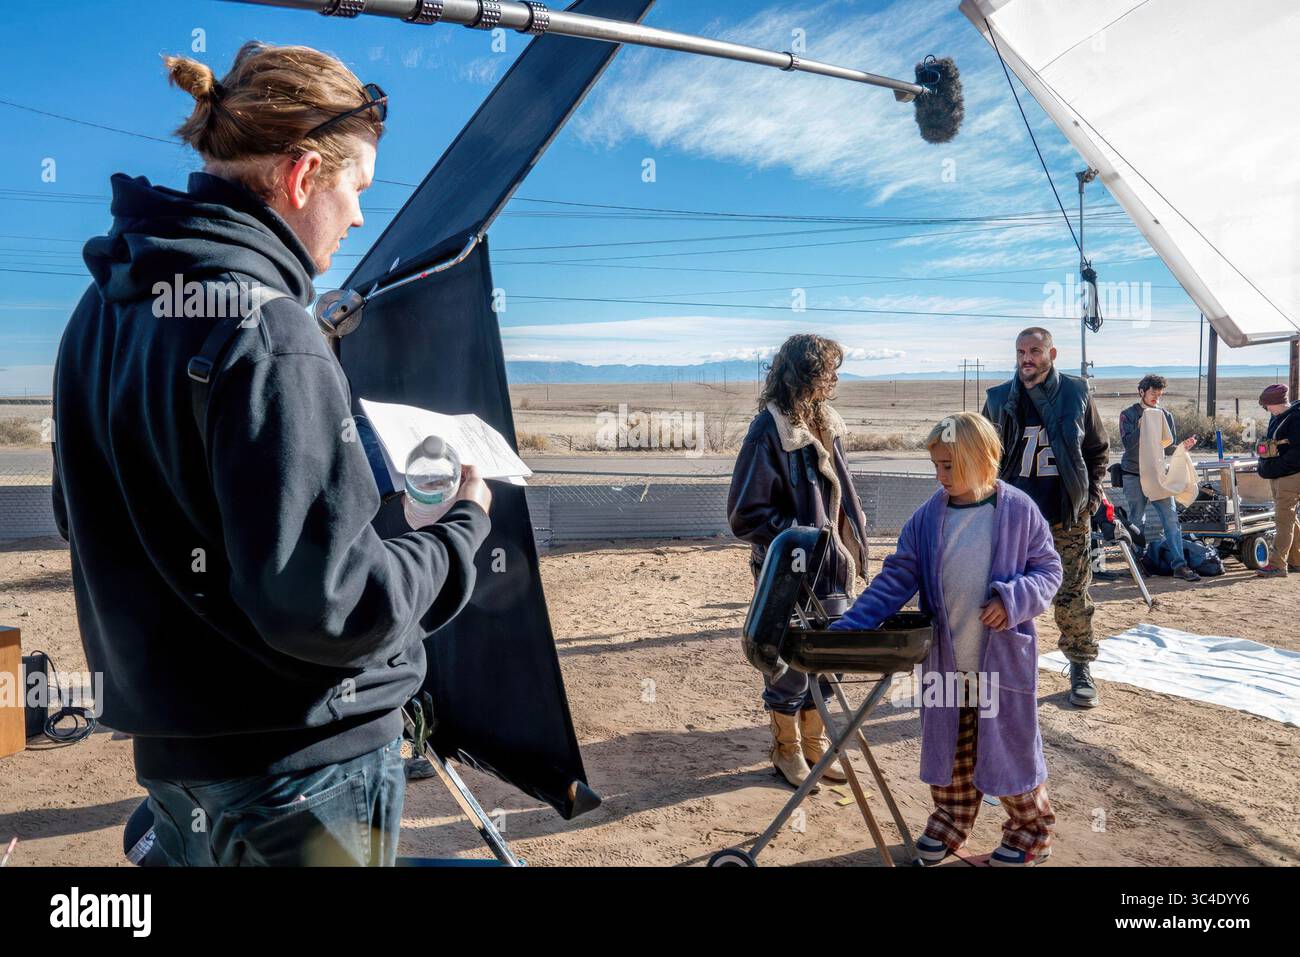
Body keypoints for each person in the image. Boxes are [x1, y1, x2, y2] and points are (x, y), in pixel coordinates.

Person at [50, 42, 494, 866]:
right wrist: (459, 530)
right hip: (301, 772)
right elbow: (330, 605)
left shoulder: (97, 312)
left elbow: (80, 515)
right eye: (356, 187)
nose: (359, 216)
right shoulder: (270, 329)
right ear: (301, 176)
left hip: (180, 764)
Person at [830, 412, 1062, 866]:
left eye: (950, 466)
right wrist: (851, 626)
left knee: (1010, 747)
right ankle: (951, 819)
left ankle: (1032, 832)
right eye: (936, 465)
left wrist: (1013, 599)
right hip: (947, 661)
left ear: (984, 459)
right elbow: (897, 577)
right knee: (952, 748)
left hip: (1003, 662)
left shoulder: (1018, 511)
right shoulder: (928, 517)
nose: (941, 476)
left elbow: (1049, 571)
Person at [728, 334, 870, 789]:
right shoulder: (768, 429)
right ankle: (785, 749)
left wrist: (845, 542)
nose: (834, 379)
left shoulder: (827, 422)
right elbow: (745, 514)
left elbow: (841, 494)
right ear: (806, 373)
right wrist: (800, 541)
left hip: (832, 567)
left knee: (830, 657)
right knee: (788, 660)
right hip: (789, 572)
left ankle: (814, 745)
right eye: (828, 370)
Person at [982, 328, 1109, 709]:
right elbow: (985, 456)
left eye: (1035, 351)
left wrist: (1092, 496)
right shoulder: (999, 398)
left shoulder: (1076, 393)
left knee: (1071, 596)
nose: (1027, 358)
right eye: (1021, 351)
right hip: (1013, 519)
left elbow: (1097, 449)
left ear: (1051, 352)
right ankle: (1004, 674)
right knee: (1005, 595)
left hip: (1065, 516)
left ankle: (1081, 665)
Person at [1118, 374, 1200, 581]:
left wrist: (1183, 446)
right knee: (1137, 520)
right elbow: (1128, 444)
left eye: (1159, 394)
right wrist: (1144, 426)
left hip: (1156, 474)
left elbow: (1167, 445)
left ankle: (1179, 565)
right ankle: (1137, 565)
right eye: (1153, 393)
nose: (1156, 398)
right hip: (1133, 474)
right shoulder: (1128, 414)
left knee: (1171, 518)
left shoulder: (1165, 415)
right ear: (1141, 392)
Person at [1255, 384, 1300, 577]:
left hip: (1290, 475)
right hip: (1279, 474)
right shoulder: (1277, 417)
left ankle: (1277, 565)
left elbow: (1296, 454)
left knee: (1283, 519)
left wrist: (1278, 466)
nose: (1266, 409)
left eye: (1267, 405)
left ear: (1276, 403)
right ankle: (1296, 560)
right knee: (1288, 518)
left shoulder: (1296, 419)